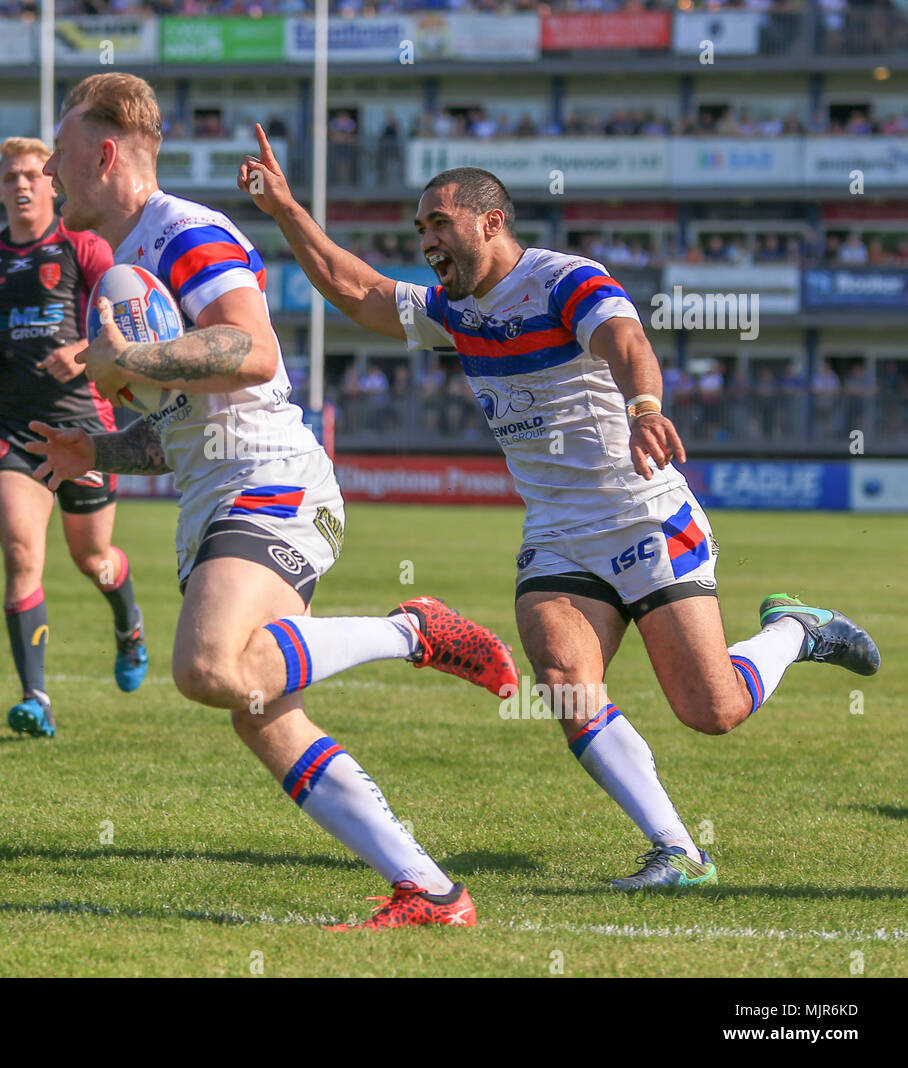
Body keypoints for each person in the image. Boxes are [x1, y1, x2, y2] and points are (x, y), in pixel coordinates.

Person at [239, 130, 882, 891]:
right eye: (420, 229)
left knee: (712, 709)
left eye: (439, 222)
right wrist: (283, 209)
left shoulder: (562, 279)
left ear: (490, 220)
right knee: (566, 680)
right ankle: (679, 851)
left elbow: (625, 335)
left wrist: (644, 404)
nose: (427, 241)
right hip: (557, 534)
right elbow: (359, 291)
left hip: (644, 515)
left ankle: (793, 631)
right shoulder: (454, 310)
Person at [28, 72, 518, 928]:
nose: (50, 172)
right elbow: (182, 422)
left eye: (61, 154)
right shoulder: (126, 264)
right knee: (258, 709)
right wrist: (95, 450)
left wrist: (130, 364)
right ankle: (433, 892)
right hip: (215, 495)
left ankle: (414, 630)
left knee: (207, 667)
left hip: (270, 483)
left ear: (106, 154)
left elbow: (252, 352)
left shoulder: (182, 231)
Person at [0, 136, 148, 740]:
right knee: (20, 556)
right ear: (0, 186)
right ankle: (35, 699)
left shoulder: (82, 247)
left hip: (84, 428)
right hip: (11, 429)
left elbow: (118, 319)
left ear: (50, 184)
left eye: (31, 175)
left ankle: (129, 626)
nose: (20, 184)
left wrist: (81, 350)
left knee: (93, 561)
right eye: (9, 175)